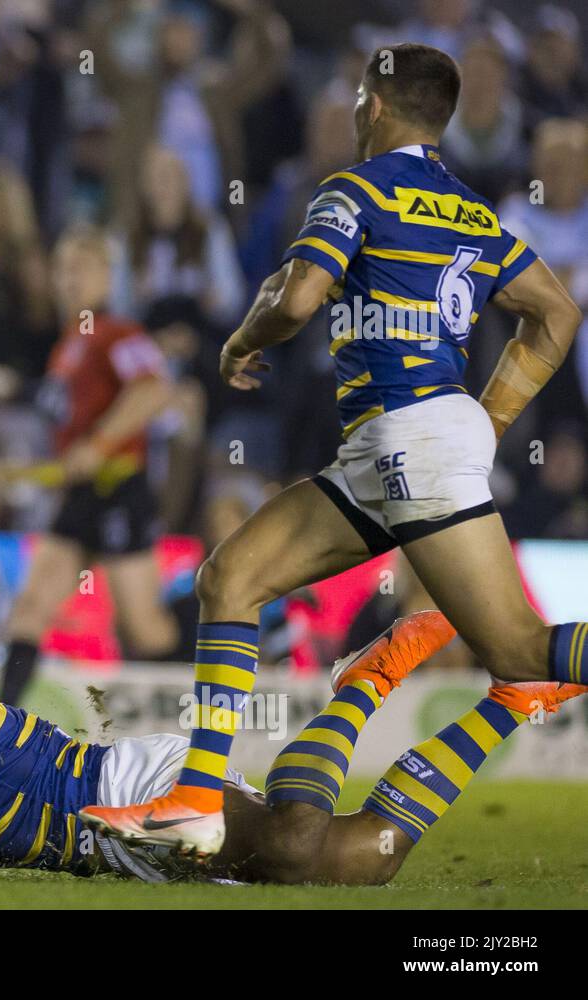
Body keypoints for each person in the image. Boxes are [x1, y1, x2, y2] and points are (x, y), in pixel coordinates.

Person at [79, 42, 586, 857]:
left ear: (376, 105)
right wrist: (487, 420)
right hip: (388, 448)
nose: (354, 110)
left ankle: (204, 795)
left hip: (409, 439)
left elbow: (301, 297)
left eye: (358, 96)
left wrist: (241, 341)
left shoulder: (350, 189)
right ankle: (196, 801)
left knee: (524, 654)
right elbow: (556, 315)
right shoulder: (472, 212)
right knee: (230, 577)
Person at [0, 608, 584, 883]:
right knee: (352, 857)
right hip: (112, 847)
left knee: (321, 849)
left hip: (126, 790)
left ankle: (372, 685)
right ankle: (503, 699)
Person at [0, 224, 177, 707]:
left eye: (83, 267)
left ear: (107, 275)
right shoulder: (67, 344)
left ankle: (191, 729)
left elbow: (156, 389)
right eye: (64, 268)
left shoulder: (119, 332)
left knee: (143, 627)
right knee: (31, 607)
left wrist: (99, 445)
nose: (70, 278)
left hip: (120, 487)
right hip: (80, 495)